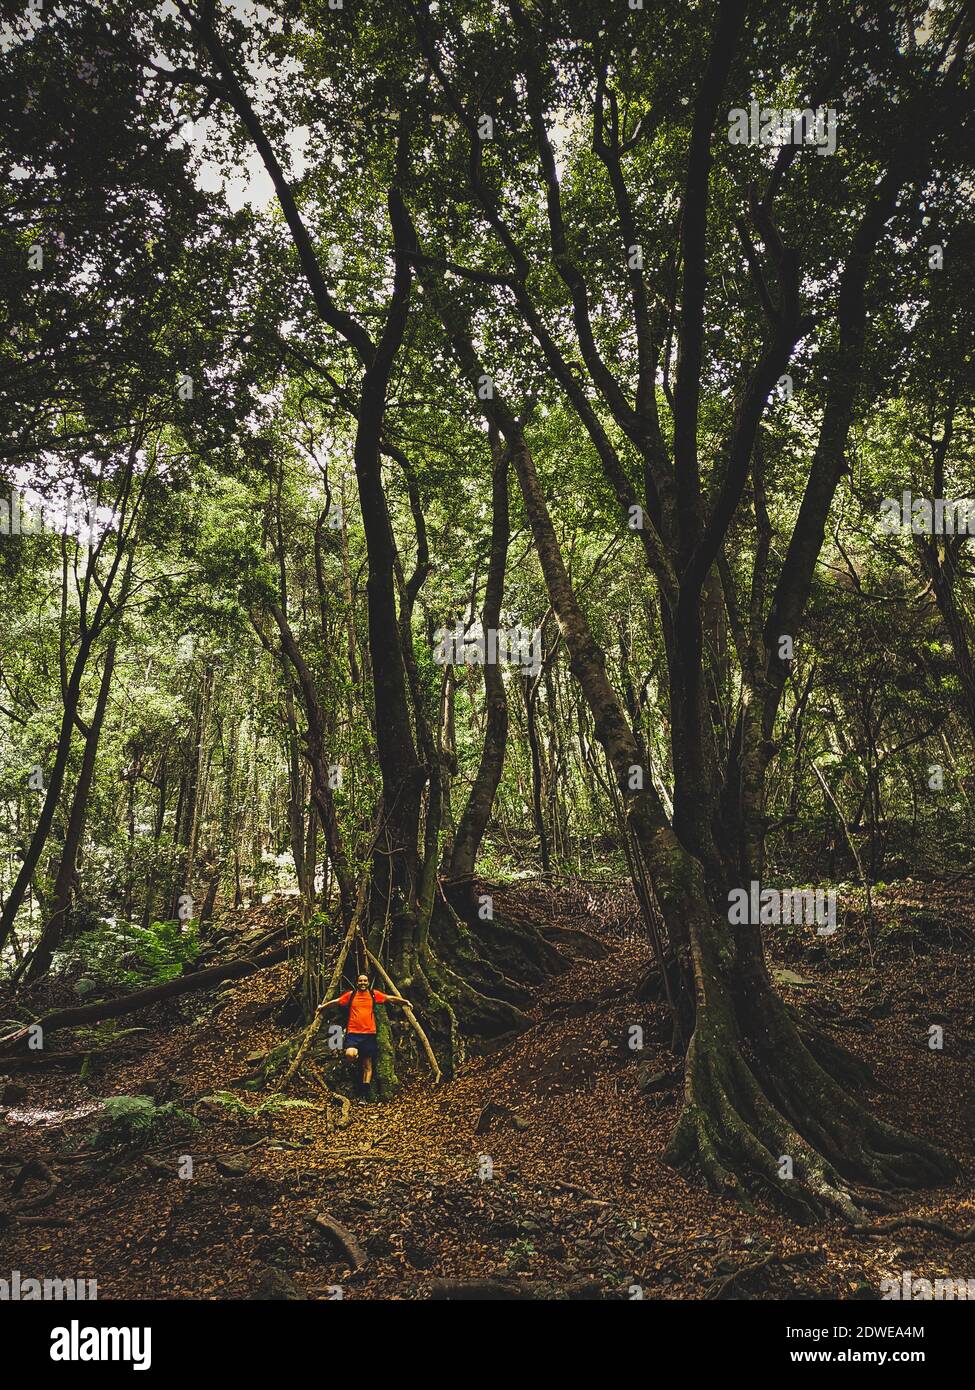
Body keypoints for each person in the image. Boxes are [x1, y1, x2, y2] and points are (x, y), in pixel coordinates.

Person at [316, 973, 410, 1088]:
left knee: (368, 1066)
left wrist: (405, 1002)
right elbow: (336, 1001)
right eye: (361, 981)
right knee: (350, 1054)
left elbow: (390, 998)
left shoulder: (373, 994)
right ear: (357, 983)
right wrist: (322, 1007)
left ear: (368, 983)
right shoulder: (351, 995)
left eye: (365, 981)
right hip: (354, 1033)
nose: (363, 983)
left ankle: (365, 1090)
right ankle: (356, 1060)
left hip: (369, 1034)